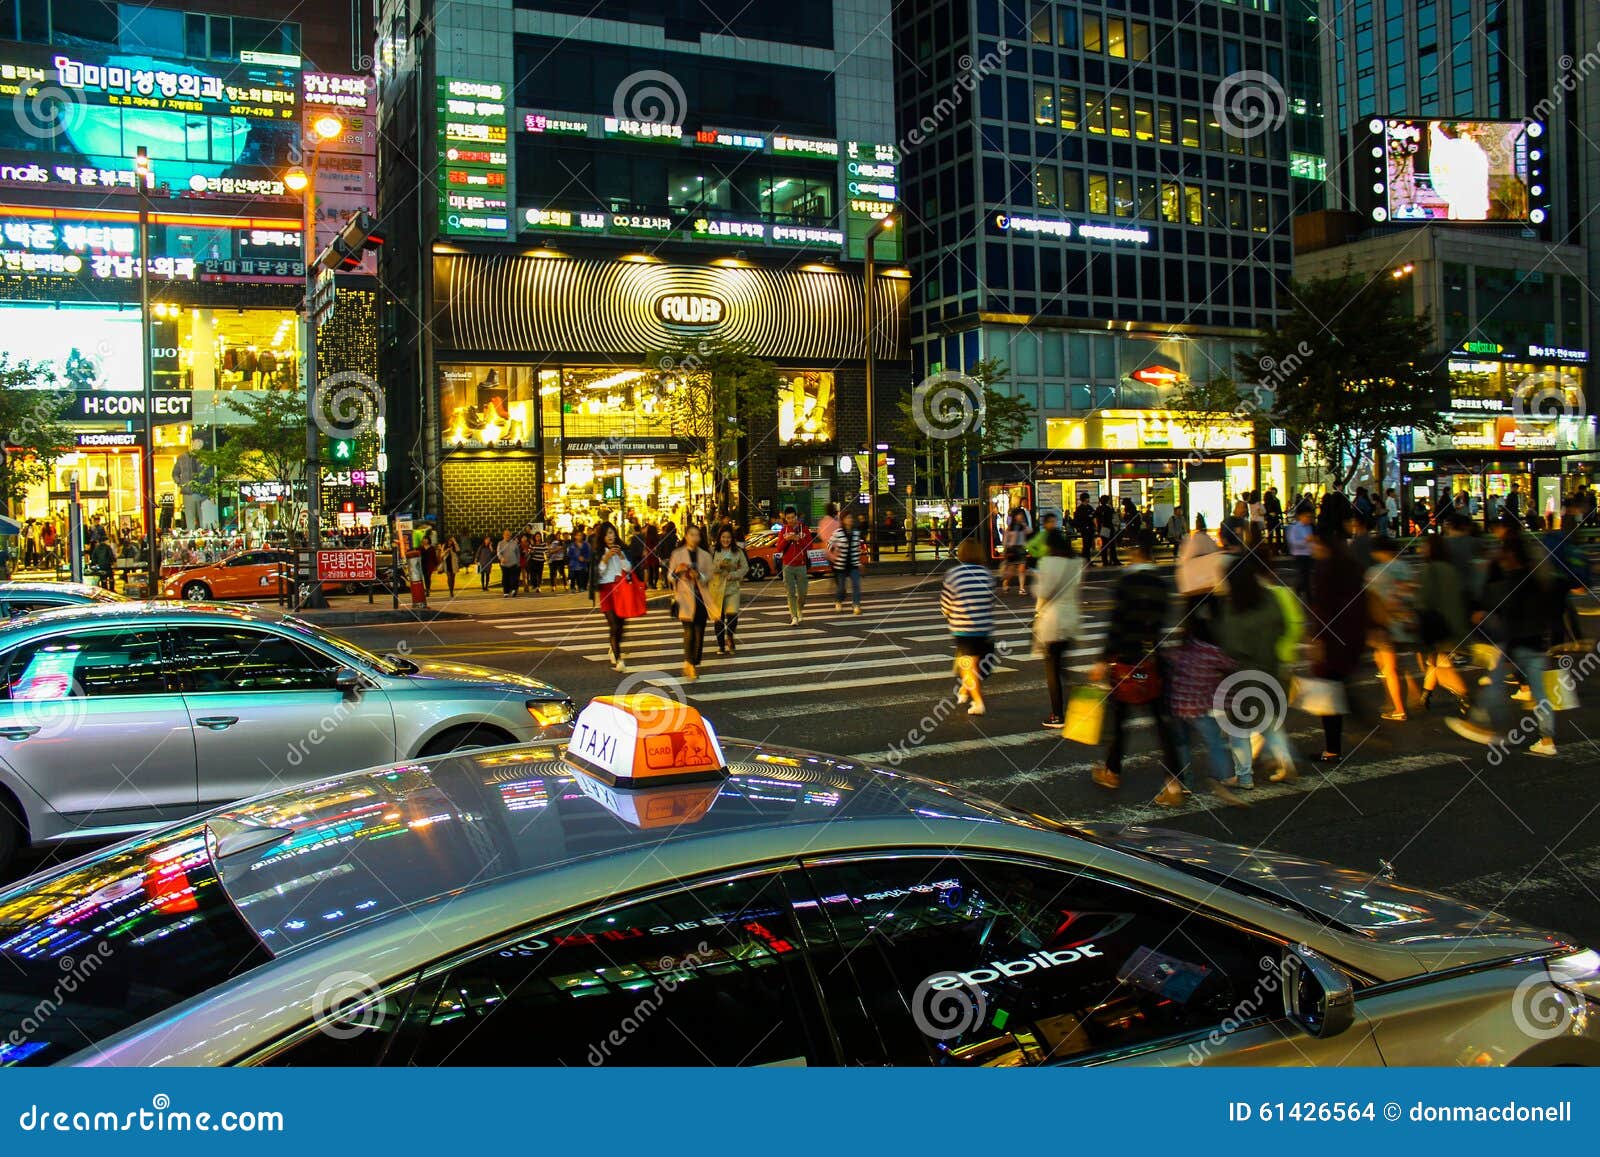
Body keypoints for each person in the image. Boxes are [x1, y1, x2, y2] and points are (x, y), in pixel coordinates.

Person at [1089, 536, 1185, 804]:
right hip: (1153, 659)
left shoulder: (1125, 584)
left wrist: (1102, 658)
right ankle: (1174, 784)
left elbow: (1116, 625)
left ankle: (1111, 770)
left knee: (1119, 721)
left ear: (1135, 555)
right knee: (1162, 724)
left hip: (1126, 661)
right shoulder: (1161, 584)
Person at [1447, 532, 1556, 756]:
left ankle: (1484, 725)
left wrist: (1486, 613)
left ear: (1511, 554)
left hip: (1517, 643)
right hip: (1537, 643)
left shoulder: (1516, 579)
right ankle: (1547, 740)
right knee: (1540, 695)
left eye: (1503, 551)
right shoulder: (1538, 578)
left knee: (1495, 685)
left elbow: (1509, 611)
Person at [1217, 551, 1297, 787]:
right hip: (1271, 667)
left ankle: (1244, 777)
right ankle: (1286, 762)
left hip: (1244, 675)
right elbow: (1282, 627)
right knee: (1269, 721)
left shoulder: (1234, 607)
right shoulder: (1270, 598)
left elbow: (1231, 645)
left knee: (1238, 728)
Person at [1305, 520, 1368, 762]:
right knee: (1338, 687)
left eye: (1312, 541)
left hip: (1332, 639)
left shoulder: (1325, 569)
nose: (1309, 545)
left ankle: (1334, 748)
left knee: (1329, 693)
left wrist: (1317, 639)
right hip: (1350, 636)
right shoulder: (1350, 566)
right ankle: (1339, 742)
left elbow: (1323, 608)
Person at [1364, 536, 1423, 721]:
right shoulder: (1405, 568)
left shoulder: (1374, 572)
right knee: (1398, 663)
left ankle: (1398, 709)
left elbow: (1370, 600)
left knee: (1388, 667)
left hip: (1385, 624)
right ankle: (1412, 693)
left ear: (1378, 551)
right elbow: (1413, 593)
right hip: (1406, 621)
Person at [1414, 534, 1473, 715]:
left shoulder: (1428, 571)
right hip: (1454, 626)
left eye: (1424, 546)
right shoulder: (1451, 570)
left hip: (1437, 629)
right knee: (1435, 663)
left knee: (1441, 667)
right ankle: (1425, 695)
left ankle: (1466, 699)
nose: (1421, 549)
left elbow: (1423, 602)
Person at [940, 538, 997, 716]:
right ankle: (965, 691)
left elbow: (946, 603)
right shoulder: (986, 574)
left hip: (962, 628)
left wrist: (948, 614)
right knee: (975, 664)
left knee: (967, 667)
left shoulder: (953, 574)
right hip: (983, 626)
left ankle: (978, 703)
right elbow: (990, 600)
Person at [1034, 530, 1083, 728]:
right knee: (1063, 667)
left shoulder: (1047, 563)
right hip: (1070, 619)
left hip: (1053, 621)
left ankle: (1057, 715)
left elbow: (1043, 593)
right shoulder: (1075, 563)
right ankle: (1077, 706)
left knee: (1053, 670)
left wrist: (1037, 614)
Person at [669, 523, 713, 681]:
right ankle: (690, 664)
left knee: (699, 632)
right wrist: (678, 571)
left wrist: (699, 575)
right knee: (689, 631)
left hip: (701, 597)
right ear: (686, 536)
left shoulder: (705, 555)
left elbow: (710, 575)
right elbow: (670, 576)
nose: (694, 538)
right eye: (691, 534)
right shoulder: (677, 554)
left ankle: (693, 661)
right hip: (684, 597)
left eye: (697, 535)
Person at [590, 523, 636, 673]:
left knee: (621, 626)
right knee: (614, 625)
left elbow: (628, 569)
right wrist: (606, 558)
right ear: (602, 536)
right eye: (608, 534)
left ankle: (613, 646)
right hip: (606, 590)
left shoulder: (621, 550)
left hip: (620, 590)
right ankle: (619, 659)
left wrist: (621, 556)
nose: (611, 536)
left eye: (612, 533)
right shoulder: (598, 552)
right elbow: (598, 573)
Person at [708, 525, 748, 655]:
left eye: (728, 537)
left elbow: (745, 568)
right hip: (716, 588)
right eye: (723, 537)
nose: (726, 540)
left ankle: (729, 636)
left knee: (732, 615)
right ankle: (721, 646)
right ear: (719, 538)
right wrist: (718, 566)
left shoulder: (738, 552)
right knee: (718, 618)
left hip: (732, 588)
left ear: (732, 539)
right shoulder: (713, 550)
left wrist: (734, 575)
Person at [777, 506, 814, 625]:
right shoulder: (783, 531)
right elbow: (779, 548)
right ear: (785, 519)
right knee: (790, 592)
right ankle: (793, 616)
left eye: (793, 517)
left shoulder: (804, 529)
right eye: (788, 518)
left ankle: (799, 609)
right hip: (787, 565)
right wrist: (787, 539)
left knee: (803, 592)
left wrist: (798, 539)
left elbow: (810, 546)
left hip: (801, 565)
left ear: (796, 517)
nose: (791, 520)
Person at [1176, 515, 1225, 602]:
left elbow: (1184, 558)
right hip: (1209, 582)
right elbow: (1217, 554)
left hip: (1195, 583)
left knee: (1192, 607)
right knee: (1213, 606)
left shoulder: (1193, 540)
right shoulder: (1209, 540)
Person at [830, 509, 866, 614]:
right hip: (841, 565)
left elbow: (856, 549)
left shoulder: (855, 532)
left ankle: (856, 605)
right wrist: (834, 549)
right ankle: (838, 601)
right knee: (841, 587)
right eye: (847, 518)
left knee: (856, 585)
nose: (850, 520)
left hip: (853, 564)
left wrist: (859, 563)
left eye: (851, 518)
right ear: (843, 520)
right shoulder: (838, 532)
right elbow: (829, 543)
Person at [999, 508, 1029, 594]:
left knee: (1022, 569)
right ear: (1015, 516)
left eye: (1022, 515)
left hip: (1021, 549)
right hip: (1012, 549)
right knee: (1011, 571)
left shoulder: (1022, 526)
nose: (1021, 516)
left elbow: (1029, 531)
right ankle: (1005, 583)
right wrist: (1005, 550)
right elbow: (1005, 539)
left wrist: (1023, 524)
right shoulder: (1010, 527)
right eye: (1019, 515)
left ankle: (1022, 588)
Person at [1286, 507, 1314, 597]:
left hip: (1308, 553)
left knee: (1307, 575)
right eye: (1307, 516)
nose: (1309, 519)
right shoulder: (1295, 528)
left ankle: (1306, 592)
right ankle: (1299, 591)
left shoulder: (1309, 527)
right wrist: (1306, 541)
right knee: (1301, 574)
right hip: (1299, 554)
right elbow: (1293, 542)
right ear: (1301, 517)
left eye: (1310, 517)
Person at [1095, 495, 1120, 567]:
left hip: (1103, 528)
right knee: (1112, 545)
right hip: (1109, 527)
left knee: (1105, 545)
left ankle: (1105, 561)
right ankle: (1114, 559)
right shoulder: (1109, 508)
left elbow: (1097, 519)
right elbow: (1113, 517)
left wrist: (1098, 528)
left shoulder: (1099, 508)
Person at [496, 530, 521, 598]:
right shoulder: (500, 543)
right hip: (504, 564)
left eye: (509, 535)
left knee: (514, 578)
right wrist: (501, 558)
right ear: (503, 535)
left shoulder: (514, 543)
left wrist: (518, 562)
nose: (508, 536)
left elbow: (517, 553)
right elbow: (498, 553)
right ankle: (506, 592)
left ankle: (513, 590)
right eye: (506, 535)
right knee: (505, 578)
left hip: (513, 563)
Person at [1073, 497, 1097, 564]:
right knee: (1086, 545)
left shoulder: (1089, 507)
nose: (1089, 499)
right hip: (1085, 529)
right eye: (1088, 498)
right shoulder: (1081, 508)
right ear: (1085, 499)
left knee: (1088, 545)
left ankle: (1087, 559)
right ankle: (1085, 560)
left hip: (1089, 528)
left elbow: (1093, 516)